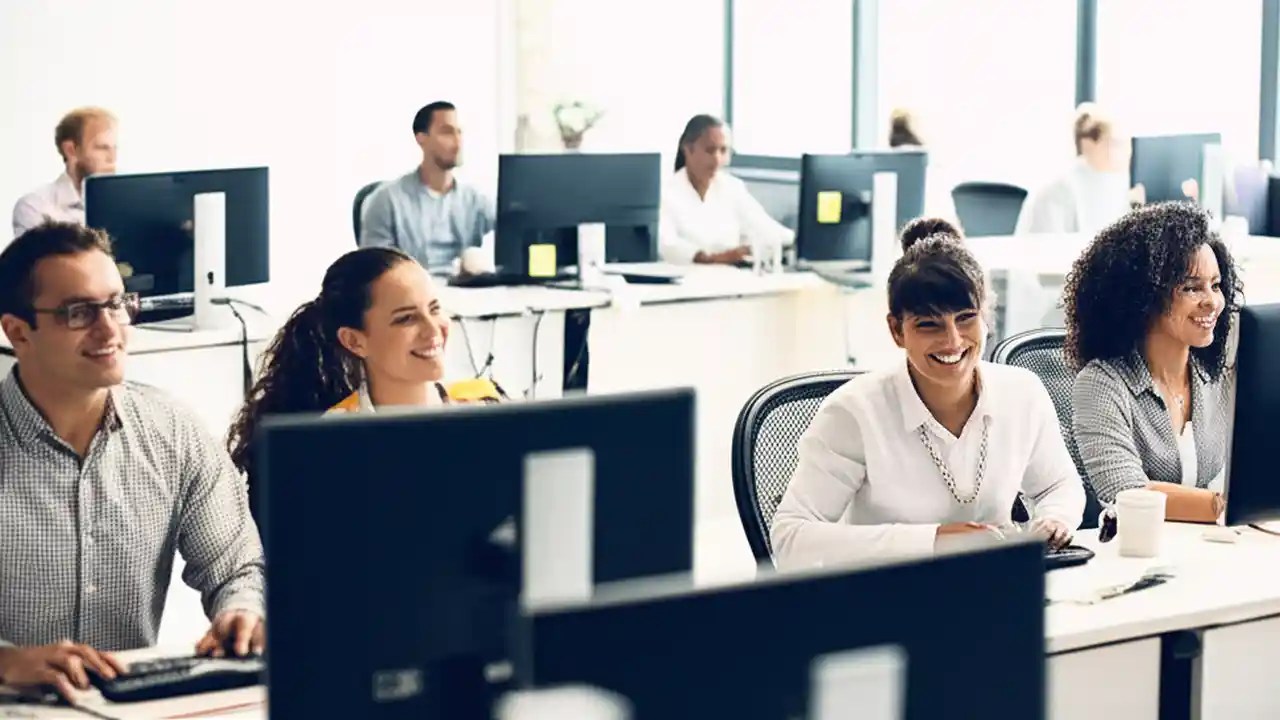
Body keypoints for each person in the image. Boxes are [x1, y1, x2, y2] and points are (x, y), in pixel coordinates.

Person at [0, 222, 264, 699]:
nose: (110, 330)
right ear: (19, 332)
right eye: (78, 312)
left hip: (129, 706)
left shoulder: (173, 431)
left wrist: (242, 611)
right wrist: (7, 662)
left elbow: (238, 568)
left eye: (117, 304)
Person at [771, 218, 1085, 569]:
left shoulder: (1023, 393)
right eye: (929, 324)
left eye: (965, 318)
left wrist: (1056, 519)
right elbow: (790, 539)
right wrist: (933, 541)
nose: (952, 340)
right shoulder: (853, 413)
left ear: (985, 317)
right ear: (897, 330)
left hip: (997, 589)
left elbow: (1058, 486)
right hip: (891, 598)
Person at [227, 246, 503, 524]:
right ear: (354, 341)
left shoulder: (488, 406)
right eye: (406, 318)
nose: (433, 331)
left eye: (434, 309)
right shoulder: (327, 448)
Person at [1065, 202, 1241, 522]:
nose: (1212, 301)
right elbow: (1126, 492)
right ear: (1144, 296)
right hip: (1131, 557)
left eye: (1215, 285)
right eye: (1191, 287)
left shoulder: (1214, 374)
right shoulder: (1102, 384)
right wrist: (1224, 505)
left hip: (1202, 548)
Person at [359, 101, 495, 270]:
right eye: (447, 132)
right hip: (414, 293)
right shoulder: (386, 200)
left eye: (459, 132)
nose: (458, 142)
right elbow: (372, 268)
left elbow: (510, 236)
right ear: (421, 138)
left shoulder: (477, 200)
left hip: (467, 291)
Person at [659, 114, 793, 265]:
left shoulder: (732, 188)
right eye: (710, 150)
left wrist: (797, 241)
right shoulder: (666, 193)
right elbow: (666, 244)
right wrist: (713, 258)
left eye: (723, 150)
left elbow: (766, 228)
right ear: (688, 149)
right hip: (687, 279)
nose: (717, 159)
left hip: (732, 278)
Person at [1020, 103, 1137, 236]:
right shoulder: (1058, 190)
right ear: (1087, 143)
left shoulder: (1121, 187)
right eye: (1117, 143)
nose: (1128, 152)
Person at [12, 107, 118, 238]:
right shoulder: (35, 207)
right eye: (102, 148)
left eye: (115, 148)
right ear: (71, 150)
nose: (112, 158)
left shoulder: (123, 205)